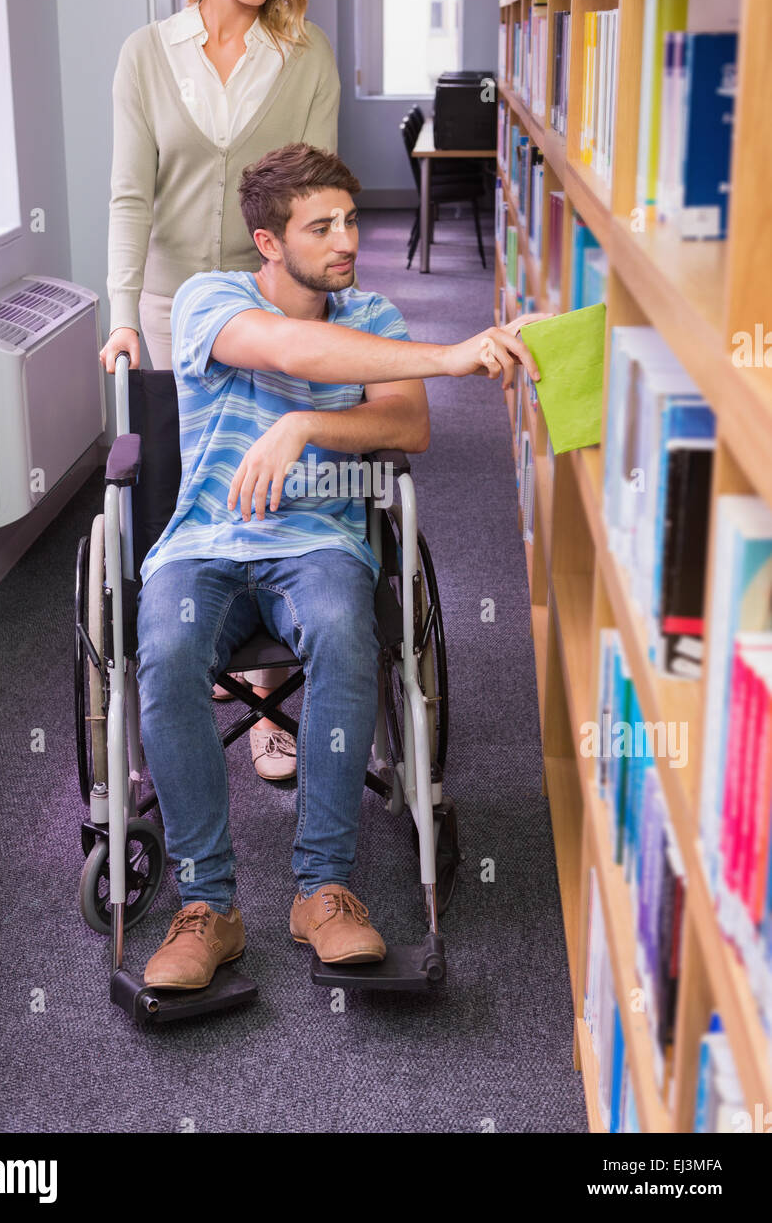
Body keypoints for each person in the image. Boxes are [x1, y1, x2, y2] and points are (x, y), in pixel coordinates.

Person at [135, 143, 546, 990]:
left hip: (317, 543)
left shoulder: (376, 316)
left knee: (342, 628)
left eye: (351, 219)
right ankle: (208, 906)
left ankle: (323, 888)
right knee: (168, 653)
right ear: (268, 242)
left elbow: (408, 429)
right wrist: (452, 355)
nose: (347, 239)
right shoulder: (208, 297)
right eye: (320, 226)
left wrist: (307, 430)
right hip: (206, 542)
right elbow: (292, 352)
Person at [100, 0, 339, 777]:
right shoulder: (147, 54)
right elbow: (131, 192)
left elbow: (316, 190)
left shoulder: (305, 53)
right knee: (178, 490)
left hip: (265, 305)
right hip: (167, 301)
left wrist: (316, 307)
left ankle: (273, 707)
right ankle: (185, 672)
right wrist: (122, 314)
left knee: (269, 488)